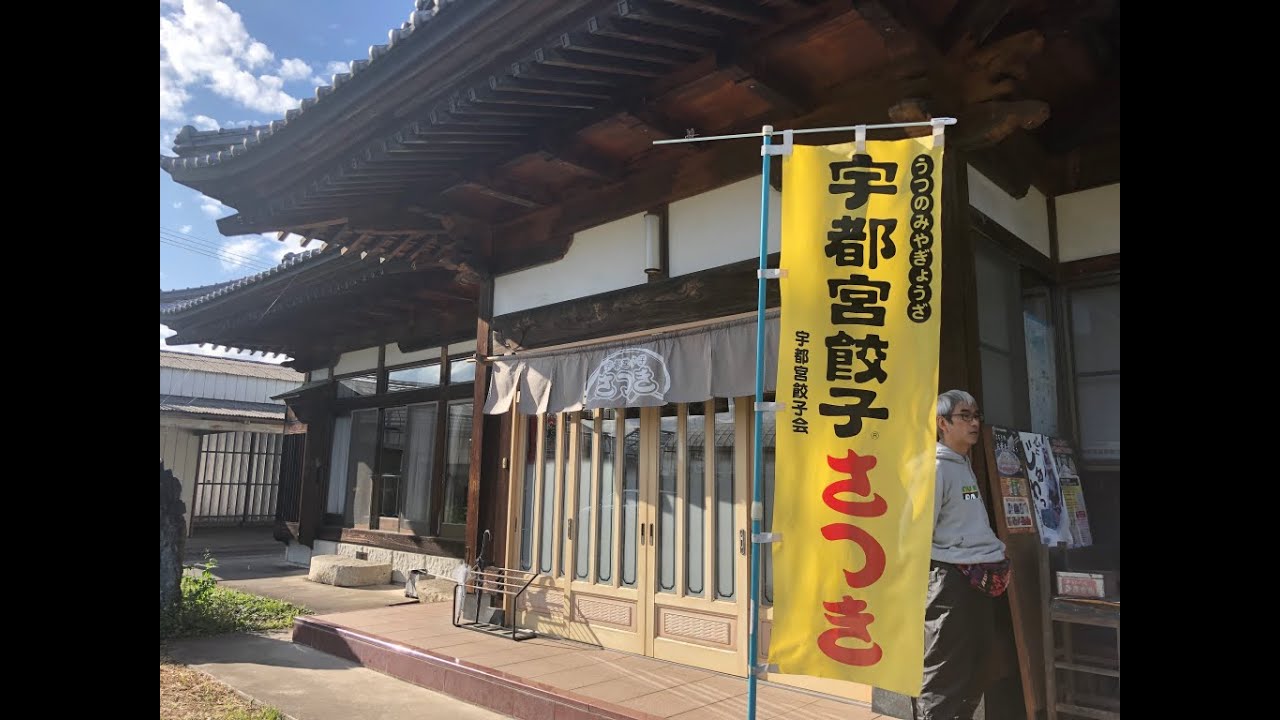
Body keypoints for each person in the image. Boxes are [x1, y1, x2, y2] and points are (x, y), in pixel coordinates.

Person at [912, 389, 1008, 720]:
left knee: (978, 664)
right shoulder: (936, 467)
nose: (974, 423)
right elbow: (919, 528)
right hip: (950, 580)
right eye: (964, 416)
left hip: (976, 577)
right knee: (945, 667)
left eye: (976, 415)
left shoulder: (962, 463)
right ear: (943, 423)